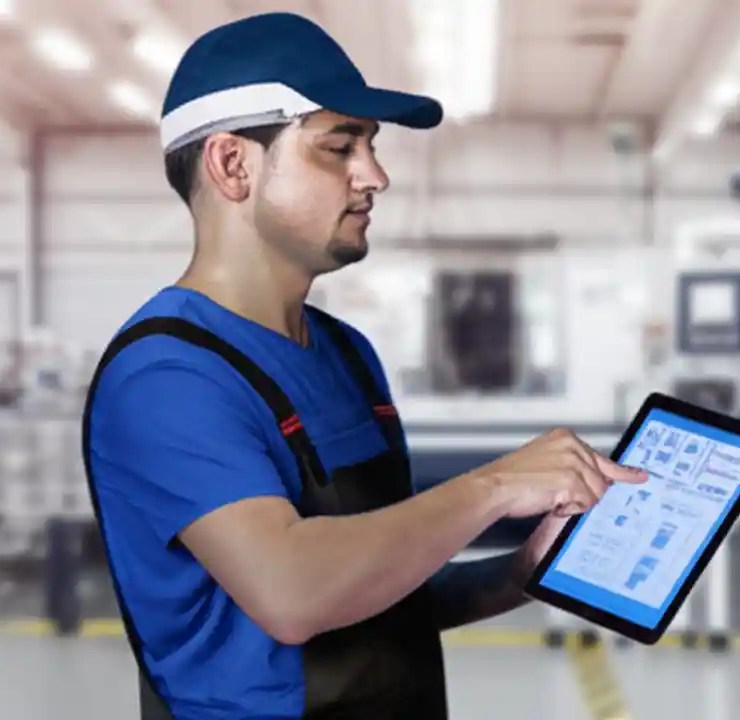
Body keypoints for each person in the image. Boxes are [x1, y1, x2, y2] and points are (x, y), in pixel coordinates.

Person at [81, 12, 646, 720]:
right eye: (339, 146)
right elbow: (294, 593)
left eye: (371, 147)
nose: (374, 175)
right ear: (232, 164)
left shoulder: (347, 354)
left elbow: (381, 598)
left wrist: (525, 571)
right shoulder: (167, 377)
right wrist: (497, 485)